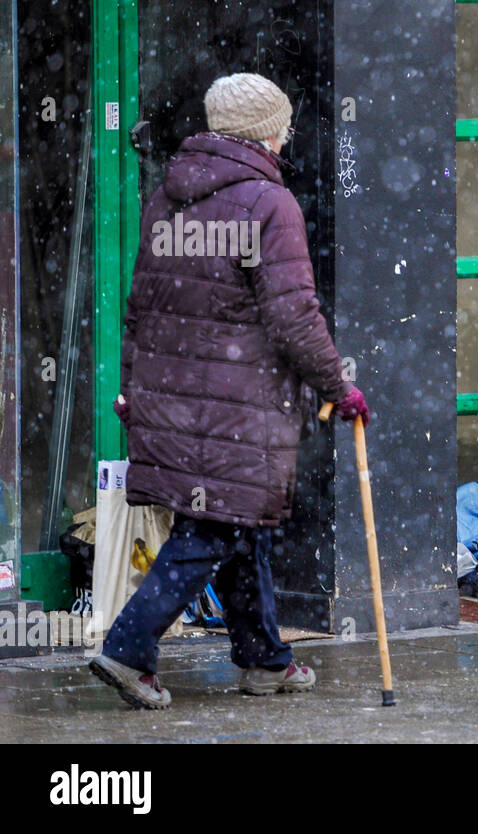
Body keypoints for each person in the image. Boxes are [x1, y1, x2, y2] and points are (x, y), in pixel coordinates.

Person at [88, 73, 369, 709]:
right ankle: (127, 650)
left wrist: (135, 390)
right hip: (240, 408)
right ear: (272, 132)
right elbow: (294, 315)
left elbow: (141, 308)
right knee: (213, 530)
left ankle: (265, 660)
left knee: (244, 525)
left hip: (176, 397)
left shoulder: (166, 197)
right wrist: (338, 386)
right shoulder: (271, 205)